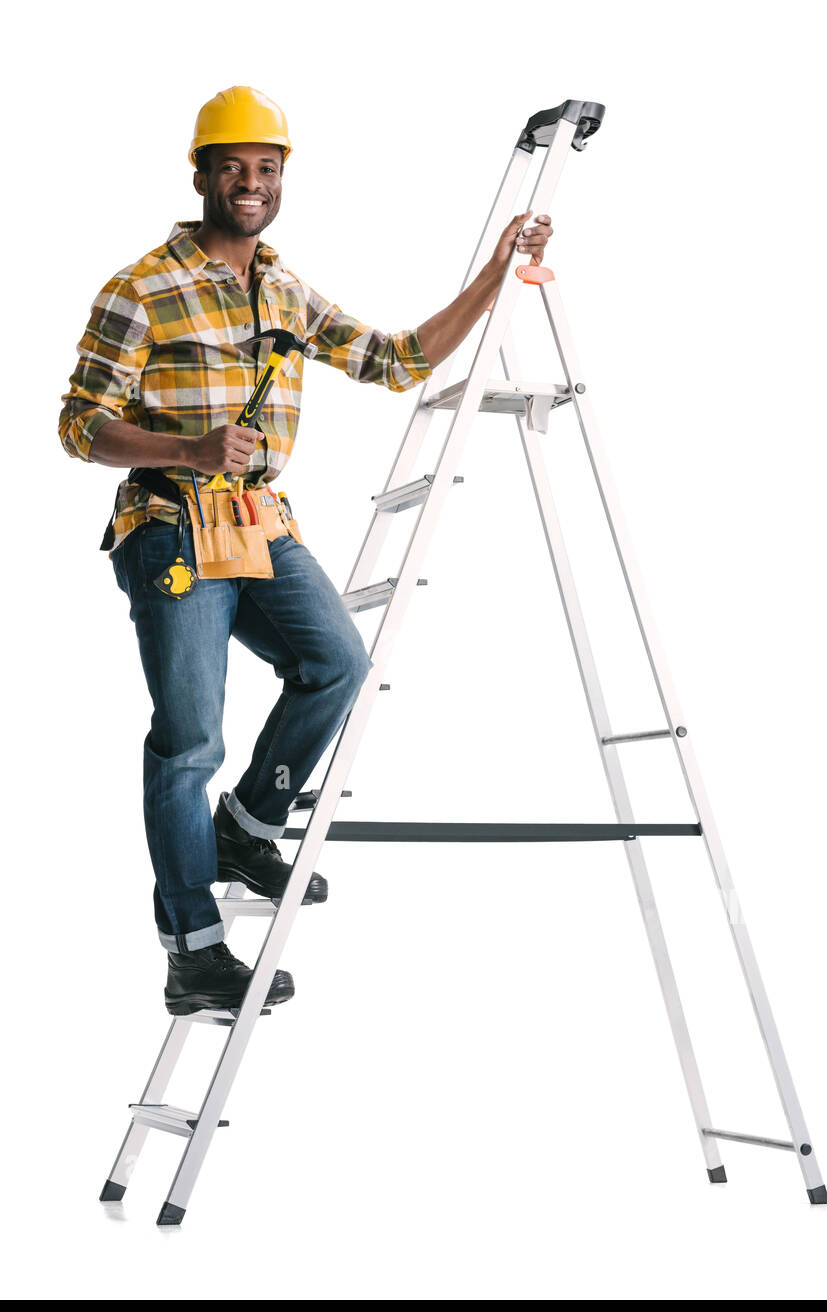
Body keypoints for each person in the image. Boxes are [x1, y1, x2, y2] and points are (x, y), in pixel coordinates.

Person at [59, 86, 553, 1017]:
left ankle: (246, 828)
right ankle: (194, 954)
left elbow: (398, 359)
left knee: (337, 664)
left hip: (256, 523)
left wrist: (495, 274)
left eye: (268, 169)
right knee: (188, 743)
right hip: (169, 526)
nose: (251, 184)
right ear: (199, 173)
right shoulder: (141, 289)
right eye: (234, 167)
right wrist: (186, 449)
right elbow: (79, 426)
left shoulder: (283, 288)